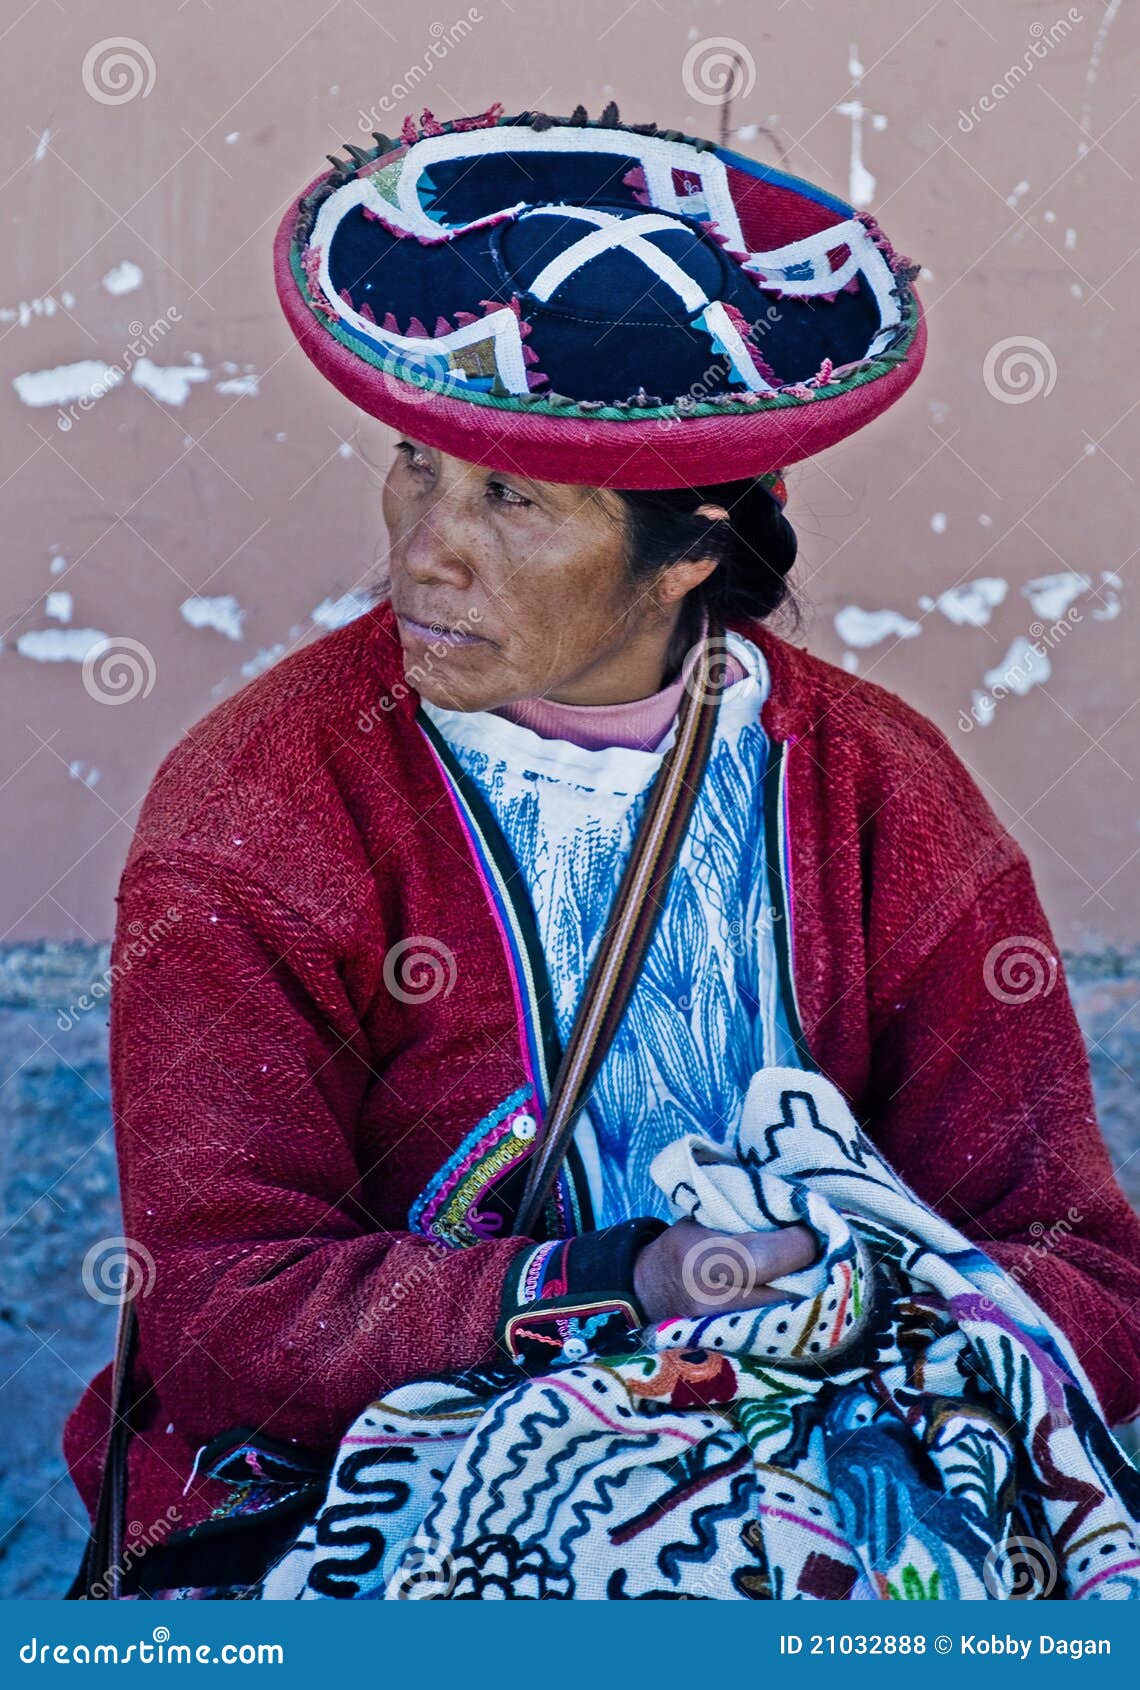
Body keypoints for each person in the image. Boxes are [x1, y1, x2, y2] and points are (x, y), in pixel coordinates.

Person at [64, 102, 1140, 1599]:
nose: (424, 547)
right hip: (365, 1497)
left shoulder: (880, 795)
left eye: (511, 498)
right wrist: (622, 1290)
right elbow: (226, 1315)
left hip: (840, 1458)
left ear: (692, 547)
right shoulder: (260, 808)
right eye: (417, 464)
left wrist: (852, 1319)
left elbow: (1079, 1260)